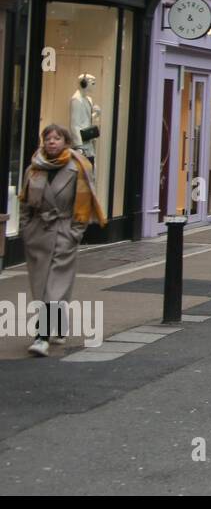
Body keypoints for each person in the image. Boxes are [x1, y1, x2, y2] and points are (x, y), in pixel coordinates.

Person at [19, 124, 106, 356]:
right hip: (38, 234)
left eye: (57, 138)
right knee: (41, 287)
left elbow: (84, 204)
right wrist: (25, 228)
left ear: (65, 142)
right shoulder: (34, 168)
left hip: (63, 231)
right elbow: (25, 201)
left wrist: (75, 233)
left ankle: (42, 336)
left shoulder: (78, 168)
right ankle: (57, 325)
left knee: (54, 286)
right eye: (48, 138)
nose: (52, 142)